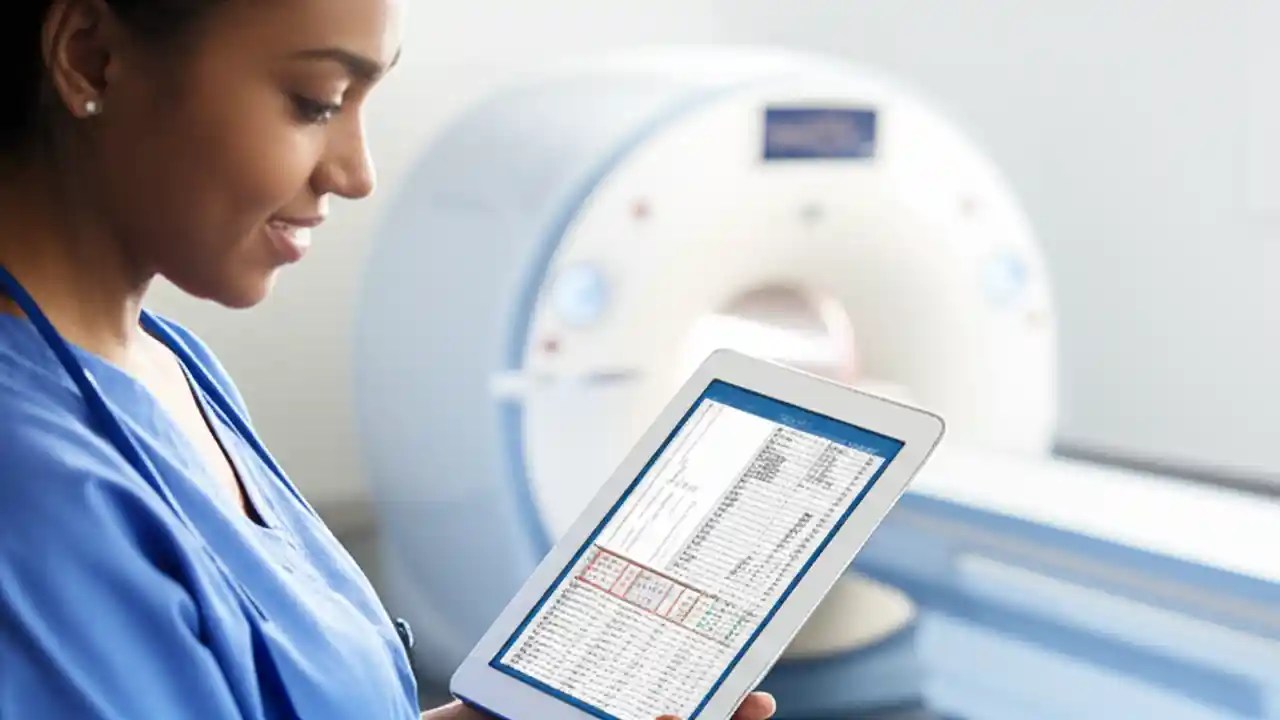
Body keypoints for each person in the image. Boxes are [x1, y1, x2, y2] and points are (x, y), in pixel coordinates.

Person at [0, 1, 779, 718]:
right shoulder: (30, 487)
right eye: (318, 102)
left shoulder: (170, 364)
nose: (356, 173)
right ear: (92, 57)